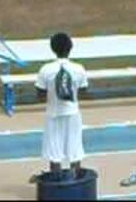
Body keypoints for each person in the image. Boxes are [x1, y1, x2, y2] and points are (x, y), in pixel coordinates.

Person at [35, 33, 88, 179]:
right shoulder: (79, 69)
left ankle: (57, 185)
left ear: (52, 49)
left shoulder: (45, 69)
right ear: (70, 48)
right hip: (72, 114)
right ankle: (76, 183)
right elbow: (83, 92)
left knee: (54, 153)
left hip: (53, 114)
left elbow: (40, 95)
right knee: (75, 150)